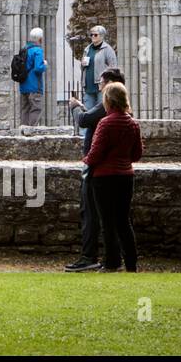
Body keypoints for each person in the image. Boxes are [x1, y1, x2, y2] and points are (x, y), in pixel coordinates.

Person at [64, 66, 126, 272]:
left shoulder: (105, 111)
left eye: (101, 82)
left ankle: (90, 257)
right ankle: (118, 260)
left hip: (97, 170)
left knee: (89, 211)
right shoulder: (123, 114)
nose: (98, 86)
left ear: (109, 84)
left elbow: (84, 120)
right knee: (114, 217)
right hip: (119, 172)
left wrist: (75, 107)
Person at [84, 81, 143, 272]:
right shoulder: (132, 124)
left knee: (107, 222)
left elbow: (95, 153)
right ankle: (131, 263)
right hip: (126, 176)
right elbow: (136, 155)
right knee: (123, 221)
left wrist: (86, 161)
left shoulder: (105, 123)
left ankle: (112, 262)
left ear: (108, 100)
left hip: (104, 178)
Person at [79, 25, 118, 112]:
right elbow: (82, 67)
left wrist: (108, 81)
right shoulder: (87, 49)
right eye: (91, 35)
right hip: (88, 86)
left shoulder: (107, 49)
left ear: (102, 36)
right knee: (88, 112)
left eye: (95, 35)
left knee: (101, 111)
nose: (93, 36)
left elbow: (113, 67)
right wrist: (82, 64)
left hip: (102, 86)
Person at [19, 27, 47, 126]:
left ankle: (23, 130)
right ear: (40, 39)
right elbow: (38, 68)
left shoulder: (24, 49)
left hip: (23, 85)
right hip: (34, 85)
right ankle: (31, 131)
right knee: (36, 108)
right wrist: (45, 64)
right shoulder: (37, 50)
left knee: (25, 109)